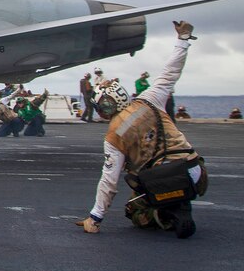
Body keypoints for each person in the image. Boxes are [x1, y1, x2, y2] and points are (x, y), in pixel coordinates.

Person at [76, 21, 208, 239]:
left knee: (134, 211)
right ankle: (180, 203)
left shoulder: (114, 135)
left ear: (105, 108)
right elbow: (170, 72)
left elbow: (109, 179)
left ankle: (166, 215)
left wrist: (95, 217)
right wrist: (182, 40)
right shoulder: (150, 99)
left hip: (162, 181)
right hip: (194, 172)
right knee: (172, 175)